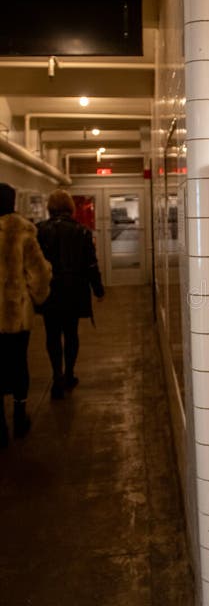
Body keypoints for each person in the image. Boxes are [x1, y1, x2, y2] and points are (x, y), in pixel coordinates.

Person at [36, 189, 105, 399]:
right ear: (70, 207)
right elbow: (90, 264)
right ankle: (69, 374)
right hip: (74, 290)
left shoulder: (39, 230)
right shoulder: (82, 232)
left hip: (50, 291)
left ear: (50, 207)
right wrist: (98, 289)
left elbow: (35, 265)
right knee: (71, 333)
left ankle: (56, 374)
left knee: (52, 335)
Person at [0, 183, 52, 444]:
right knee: (19, 362)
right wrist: (38, 298)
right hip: (16, 315)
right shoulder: (21, 231)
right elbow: (39, 273)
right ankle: (20, 416)